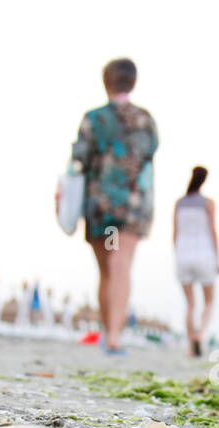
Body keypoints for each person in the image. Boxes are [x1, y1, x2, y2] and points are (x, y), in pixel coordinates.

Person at [69, 58, 158, 355]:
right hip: (133, 206)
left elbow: (79, 158)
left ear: (106, 82)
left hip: (103, 207)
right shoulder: (145, 120)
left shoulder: (94, 119)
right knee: (121, 266)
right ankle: (115, 337)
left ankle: (110, 333)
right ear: (132, 82)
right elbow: (149, 153)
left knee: (108, 269)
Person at [173, 166, 219, 356]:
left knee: (190, 304)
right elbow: (213, 232)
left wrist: (176, 254)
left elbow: (175, 234)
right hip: (204, 254)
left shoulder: (179, 204)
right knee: (209, 301)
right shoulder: (208, 203)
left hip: (183, 254)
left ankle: (191, 349)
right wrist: (218, 259)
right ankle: (200, 334)